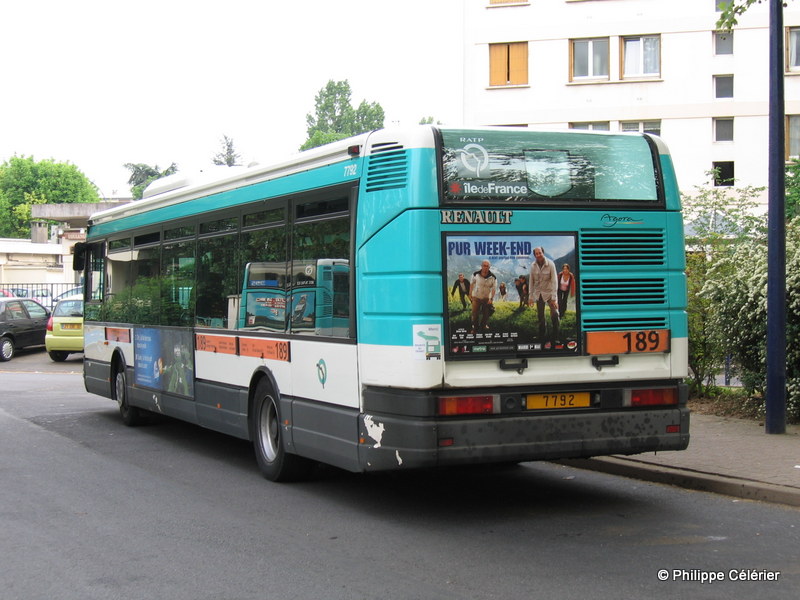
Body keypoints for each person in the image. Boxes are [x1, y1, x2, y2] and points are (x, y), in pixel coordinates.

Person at [529, 247, 559, 345]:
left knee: (555, 314)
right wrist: (530, 297)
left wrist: (554, 298)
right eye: (536, 254)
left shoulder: (550, 264)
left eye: (540, 253)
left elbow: (554, 281)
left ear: (543, 253)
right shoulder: (533, 266)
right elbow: (531, 282)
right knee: (540, 316)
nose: (538, 255)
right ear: (534, 255)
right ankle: (542, 336)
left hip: (550, 293)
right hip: (539, 294)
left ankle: (556, 336)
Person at [470, 260, 496, 333]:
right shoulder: (475, 274)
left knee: (486, 314)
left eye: (487, 266)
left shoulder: (493, 277)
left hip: (486, 298)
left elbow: (494, 289)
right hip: (476, 296)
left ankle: (483, 325)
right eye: (484, 265)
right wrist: (470, 294)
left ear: (489, 267)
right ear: (481, 266)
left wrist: (491, 299)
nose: (485, 267)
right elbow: (471, 284)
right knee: (475, 313)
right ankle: (475, 328)